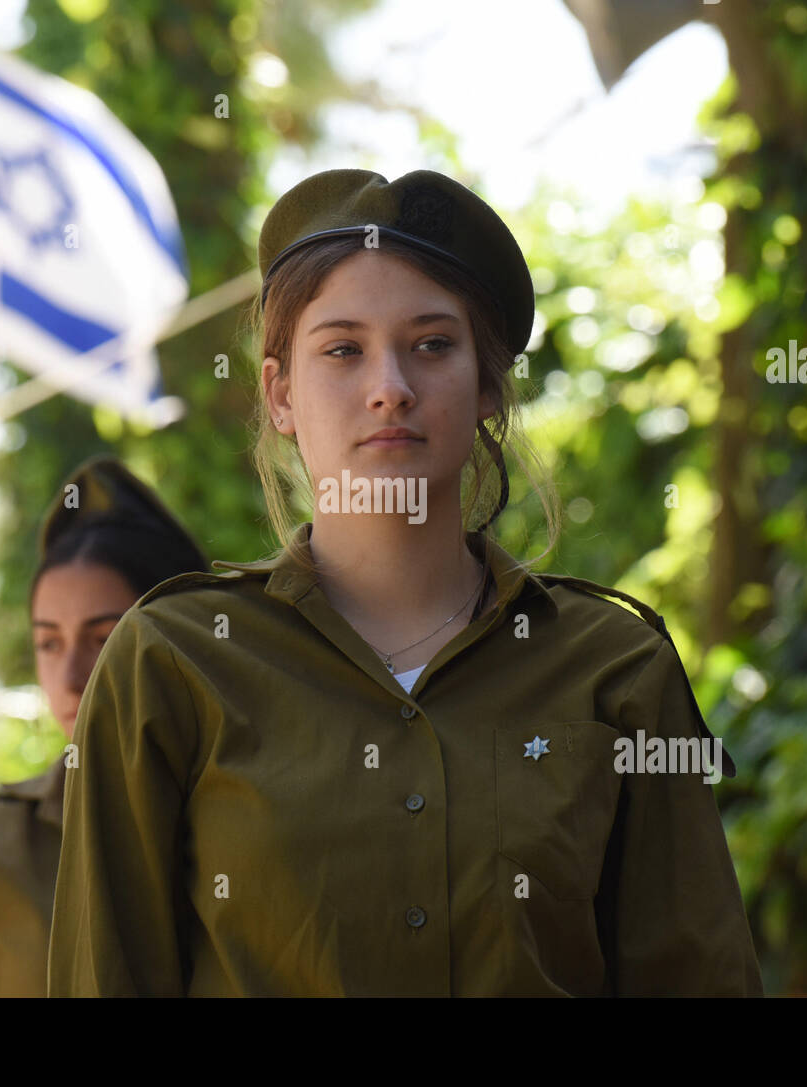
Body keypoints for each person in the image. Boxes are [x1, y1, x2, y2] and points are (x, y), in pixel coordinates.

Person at [48, 169, 764, 997]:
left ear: (488, 386)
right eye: (343, 349)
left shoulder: (615, 666)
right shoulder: (170, 662)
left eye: (431, 344)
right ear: (280, 394)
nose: (390, 386)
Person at [0, 456, 208, 997]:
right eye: (48, 643)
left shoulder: (257, 817)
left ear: (181, 640)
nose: (71, 677)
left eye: (104, 638)